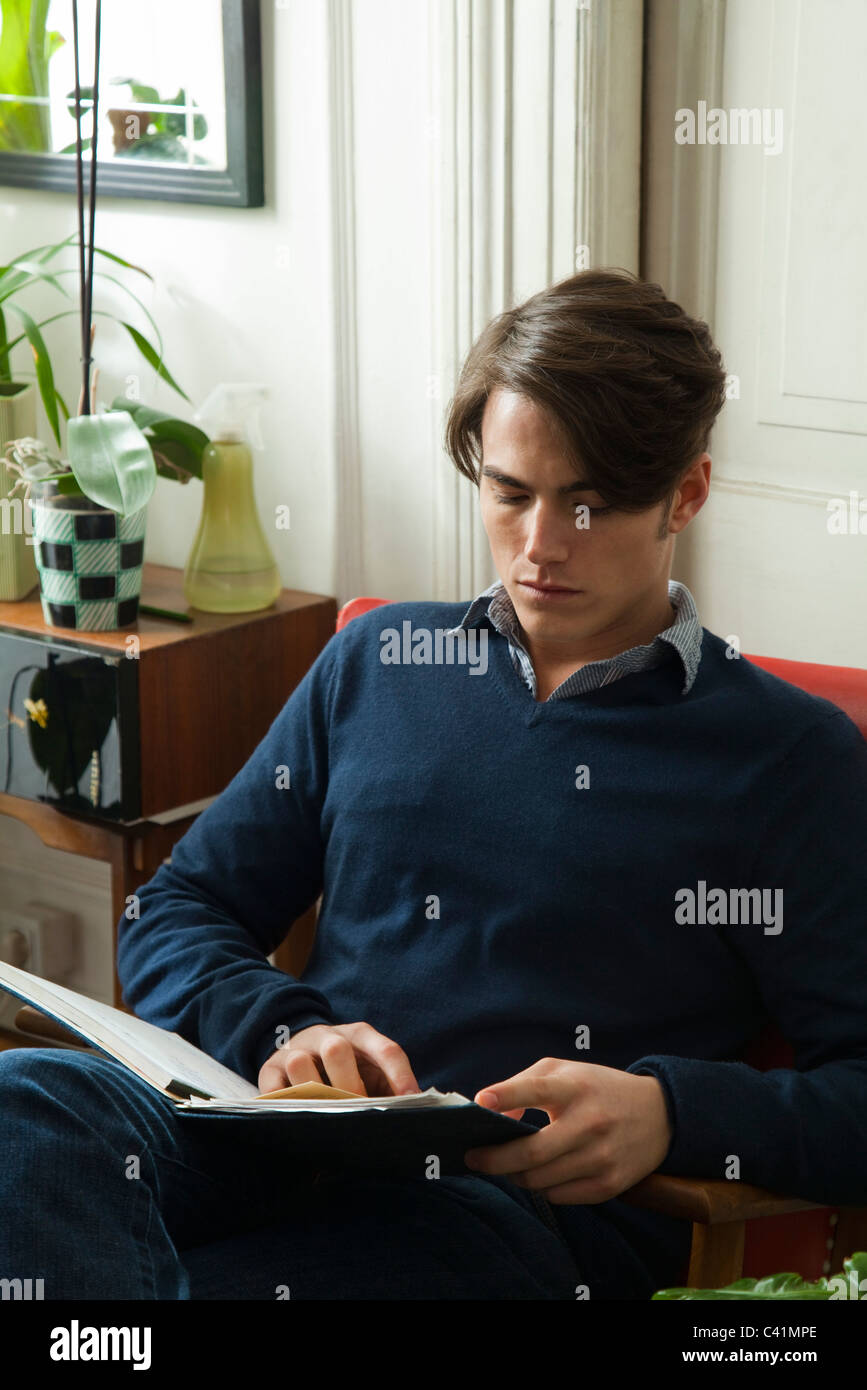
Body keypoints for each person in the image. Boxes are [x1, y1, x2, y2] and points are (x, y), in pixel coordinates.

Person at [1, 268, 865, 1301]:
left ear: (687, 492)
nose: (540, 546)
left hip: (494, 1216)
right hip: (265, 1135)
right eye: (511, 493)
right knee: (26, 1106)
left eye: (589, 504)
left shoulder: (788, 758)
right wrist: (291, 1031)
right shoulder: (377, 661)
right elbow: (179, 904)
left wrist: (671, 1112)